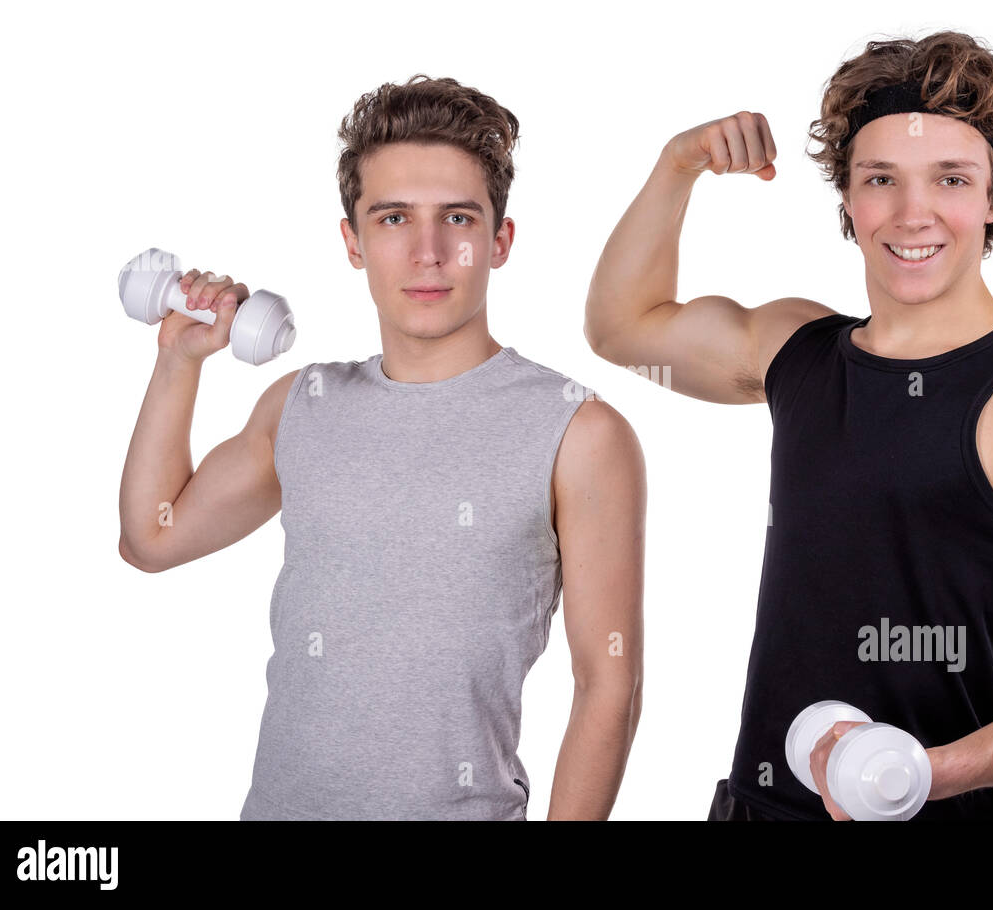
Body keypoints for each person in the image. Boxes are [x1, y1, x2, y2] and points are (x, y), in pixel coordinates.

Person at [584, 31, 993, 820]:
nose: (912, 213)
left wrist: (926, 773)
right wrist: (678, 164)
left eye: (951, 179)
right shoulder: (797, 352)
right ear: (849, 199)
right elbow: (623, 326)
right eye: (880, 179)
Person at [119, 75, 645, 820]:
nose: (428, 253)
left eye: (457, 218)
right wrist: (179, 361)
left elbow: (608, 683)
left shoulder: (580, 432)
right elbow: (150, 539)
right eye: (394, 218)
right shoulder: (302, 404)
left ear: (499, 241)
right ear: (353, 242)